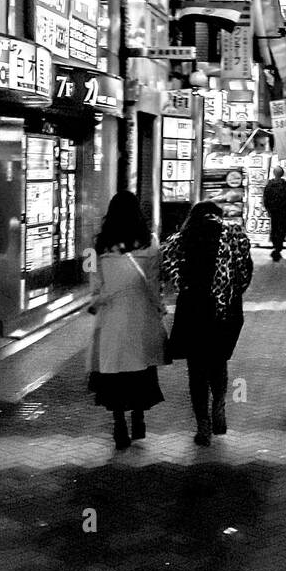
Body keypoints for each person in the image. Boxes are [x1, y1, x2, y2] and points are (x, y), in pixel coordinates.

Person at [162, 200, 253, 445]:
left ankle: (203, 425)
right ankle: (220, 407)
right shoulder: (234, 236)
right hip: (224, 311)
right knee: (218, 361)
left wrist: (188, 287)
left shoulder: (181, 239)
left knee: (197, 370)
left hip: (193, 310)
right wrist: (229, 292)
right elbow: (245, 274)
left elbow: (171, 270)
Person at [87, 192, 166, 451]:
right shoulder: (150, 243)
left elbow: (94, 286)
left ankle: (119, 424)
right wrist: (159, 307)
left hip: (112, 318)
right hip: (140, 317)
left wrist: (98, 300)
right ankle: (139, 419)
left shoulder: (97, 246)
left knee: (115, 372)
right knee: (140, 368)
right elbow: (154, 284)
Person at [263, 165, 286, 261]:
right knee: (282, 227)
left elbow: (265, 198)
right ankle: (279, 245)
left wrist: (268, 209)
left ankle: (275, 244)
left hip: (273, 211)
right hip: (283, 211)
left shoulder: (269, 185)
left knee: (274, 226)